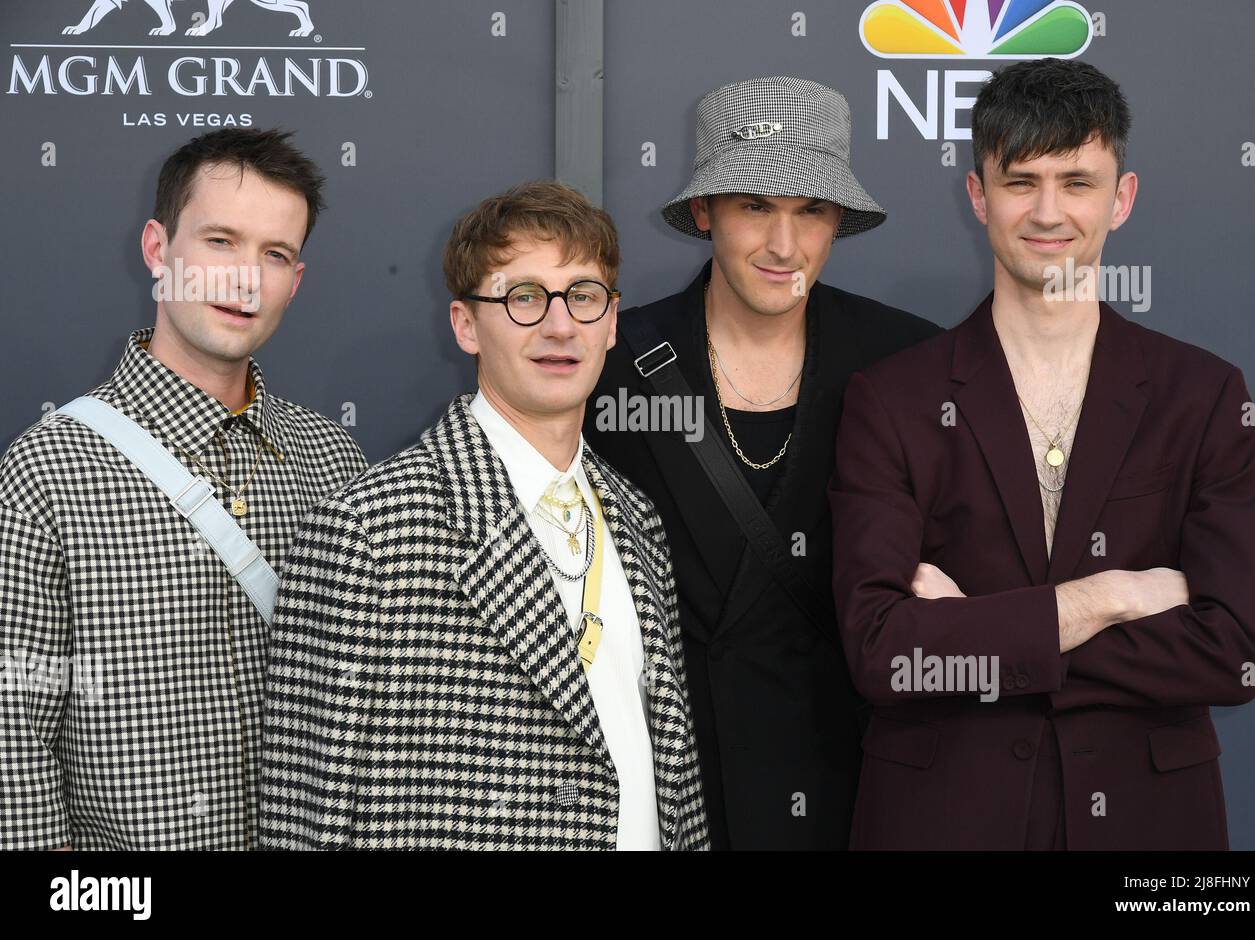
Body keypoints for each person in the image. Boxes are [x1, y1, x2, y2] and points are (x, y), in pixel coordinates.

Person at [830, 59, 1255, 850]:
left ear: (1121, 199)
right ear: (978, 197)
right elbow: (884, 652)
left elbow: (1229, 654)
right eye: (1020, 181)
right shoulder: (890, 398)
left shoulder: (1204, 396)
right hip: (942, 821)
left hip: (1151, 831)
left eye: (1077, 181)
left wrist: (976, 631)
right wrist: (1104, 598)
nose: (1048, 211)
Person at [258, 181, 709, 849]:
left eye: (582, 296)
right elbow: (305, 813)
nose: (560, 325)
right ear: (465, 324)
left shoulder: (636, 517)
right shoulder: (368, 530)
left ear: (611, 322)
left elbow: (670, 771)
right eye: (523, 296)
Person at [584, 75, 940, 849]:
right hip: (676, 786)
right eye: (755, 206)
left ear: (836, 220)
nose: (784, 246)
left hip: (857, 777)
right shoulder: (610, 359)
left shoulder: (908, 359)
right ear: (706, 212)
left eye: (809, 210)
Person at [0, 127, 368, 850]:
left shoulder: (334, 462)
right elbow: (13, 733)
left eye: (275, 255)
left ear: (296, 280)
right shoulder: (47, 471)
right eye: (220, 242)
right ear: (156, 250)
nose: (245, 278)